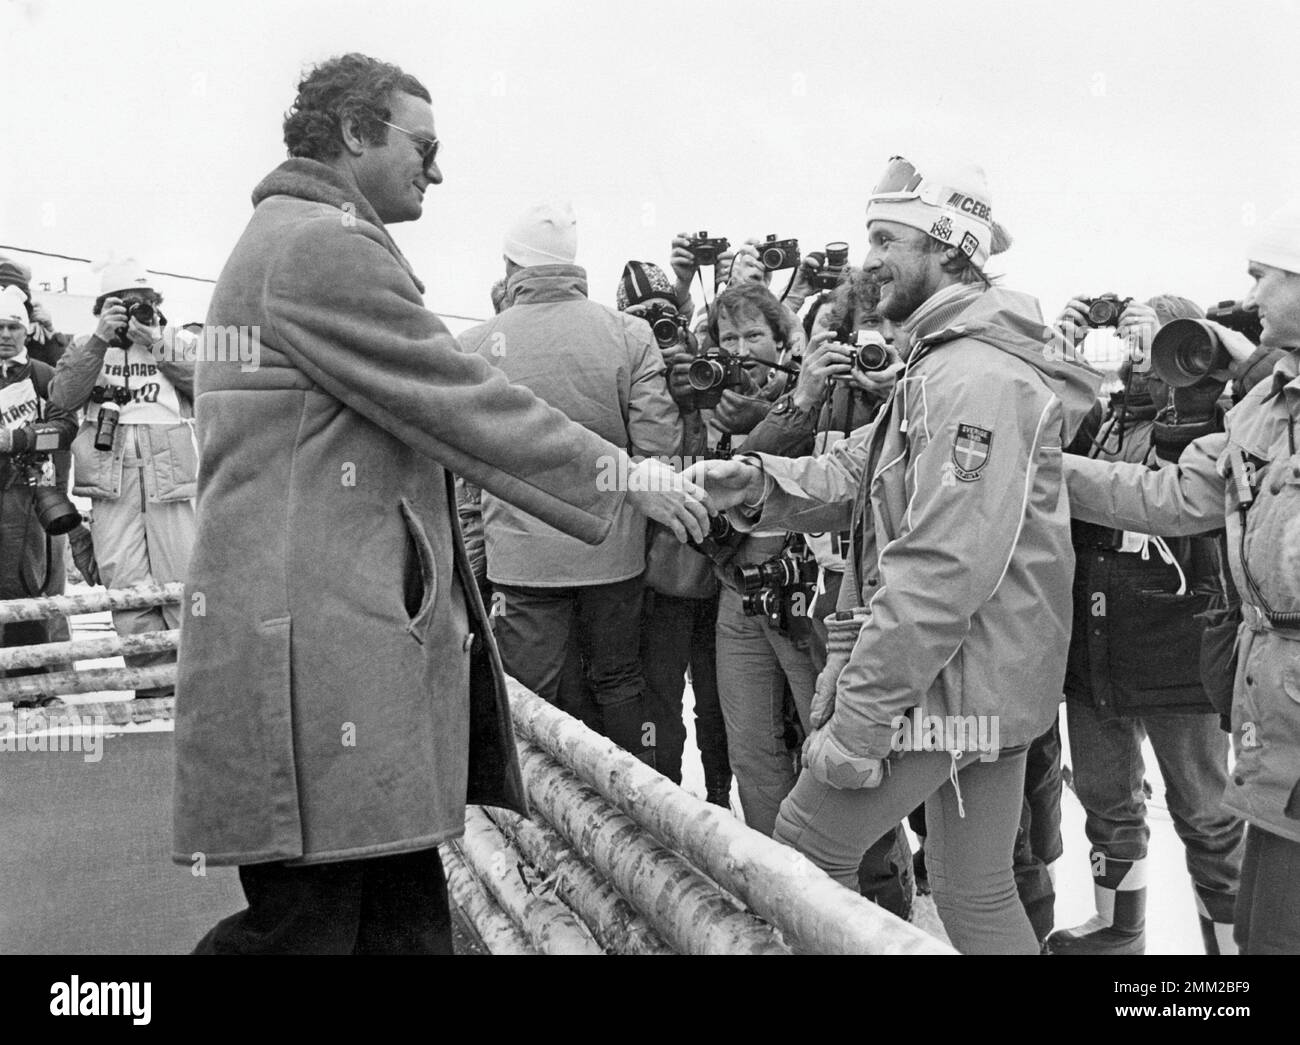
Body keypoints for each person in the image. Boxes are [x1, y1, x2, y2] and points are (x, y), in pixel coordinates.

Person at [175, 53, 705, 955]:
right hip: (322, 671)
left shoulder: (299, 236)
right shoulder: (321, 247)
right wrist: (627, 474)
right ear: (353, 132)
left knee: (398, 926)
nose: (439, 167)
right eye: (424, 144)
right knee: (311, 931)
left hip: (333, 671)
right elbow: (467, 400)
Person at [687, 156, 1100, 954]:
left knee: (806, 846)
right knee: (975, 893)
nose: (864, 258)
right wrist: (757, 477)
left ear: (950, 248)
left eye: (886, 237)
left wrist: (860, 723)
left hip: (953, 682)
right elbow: (864, 472)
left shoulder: (972, 376)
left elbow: (943, 567)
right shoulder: (943, 361)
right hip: (983, 679)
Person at [1060, 201, 1300, 955]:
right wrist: (1041, 446)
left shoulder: (1244, 396)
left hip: (1186, 654)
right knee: (1267, 911)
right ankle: (1150, 951)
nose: (1252, 299)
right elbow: (1173, 496)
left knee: (1212, 818)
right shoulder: (1265, 405)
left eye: (1265, 278)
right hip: (1242, 685)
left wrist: (1206, 375)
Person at [1045, 294, 1249, 955]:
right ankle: (1119, 930)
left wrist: (1177, 375)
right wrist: (1061, 353)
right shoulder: (1100, 419)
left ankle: (1234, 949)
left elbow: (1170, 486)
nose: (1135, 343)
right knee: (1107, 802)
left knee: (1207, 815)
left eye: (1155, 329)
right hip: (1095, 649)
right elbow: (1034, 441)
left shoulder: (1209, 417)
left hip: (1177, 655)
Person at [459, 205, 682, 763]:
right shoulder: (628, 334)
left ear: (511, 265)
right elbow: (658, 452)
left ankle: (538, 824)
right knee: (620, 680)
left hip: (520, 561)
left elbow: (464, 472)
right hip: (616, 553)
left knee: (534, 701)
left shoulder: (476, 345)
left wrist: (477, 556)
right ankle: (634, 811)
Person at [49, 259, 198, 700]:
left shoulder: (179, 342)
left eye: (146, 304)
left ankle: (190, 687)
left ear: (158, 306)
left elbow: (209, 385)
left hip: (172, 479)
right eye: (124, 305)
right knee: (125, 583)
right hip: (109, 479)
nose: (136, 312)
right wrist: (99, 339)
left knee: (182, 580)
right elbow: (62, 398)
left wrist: (156, 344)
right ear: (101, 308)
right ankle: (150, 687)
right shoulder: (85, 346)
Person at [617, 259, 731, 800]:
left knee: (718, 704)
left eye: (667, 321)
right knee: (660, 706)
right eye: (642, 323)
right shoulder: (621, 381)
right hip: (657, 580)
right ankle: (667, 812)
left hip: (720, 573)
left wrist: (701, 389)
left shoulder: (709, 371)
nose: (659, 335)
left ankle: (719, 803)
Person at [0, 284, 78, 701]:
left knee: (28, 586)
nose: (5, 334)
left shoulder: (45, 376)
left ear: (27, 329)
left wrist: (21, 438)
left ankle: (32, 685)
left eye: (12, 325)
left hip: (30, 494)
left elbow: (66, 428)